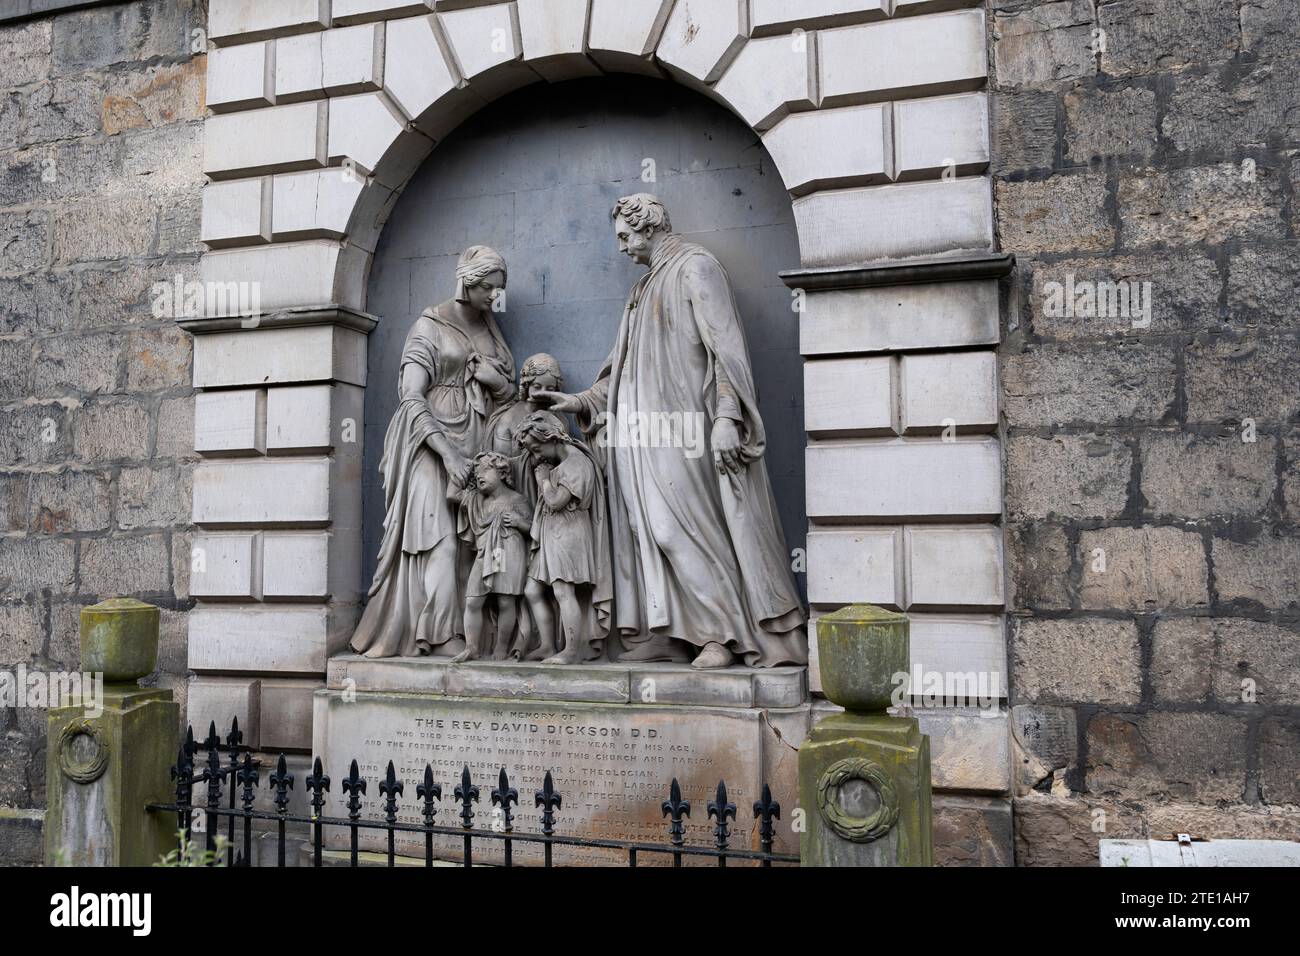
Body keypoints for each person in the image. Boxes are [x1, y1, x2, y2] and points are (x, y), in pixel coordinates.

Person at [534, 194, 806, 669]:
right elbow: (620, 373)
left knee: (677, 529)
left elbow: (727, 349)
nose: (621, 248)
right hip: (637, 437)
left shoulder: (696, 267)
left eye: (624, 235)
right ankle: (674, 630)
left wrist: (726, 416)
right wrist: (578, 402)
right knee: (645, 532)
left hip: (681, 429)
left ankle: (722, 633)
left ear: (648, 226)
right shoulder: (642, 289)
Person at [350, 246, 516, 659]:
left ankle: (468, 635)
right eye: (488, 289)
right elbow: (410, 397)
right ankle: (436, 633)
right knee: (438, 539)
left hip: (477, 442)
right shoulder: (429, 326)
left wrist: (495, 381)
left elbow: (509, 391)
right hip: (430, 444)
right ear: (467, 283)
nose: (495, 297)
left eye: (499, 290)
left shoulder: (490, 328)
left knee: (468, 546)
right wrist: (447, 454)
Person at [515, 411, 612, 664]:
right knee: (532, 589)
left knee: (562, 590)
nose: (535, 457)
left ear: (552, 437)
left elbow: (556, 501)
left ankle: (571, 651)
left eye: (536, 448)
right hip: (552, 532)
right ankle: (547, 645)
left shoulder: (576, 464)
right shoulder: (562, 464)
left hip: (568, 531)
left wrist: (544, 480)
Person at [450, 452, 533, 662]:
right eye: (477, 473)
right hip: (486, 553)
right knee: (473, 601)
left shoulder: (516, 499)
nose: (480, 476)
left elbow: (534, 529)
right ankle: (472, 647)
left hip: (508, 551)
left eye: (486, 470)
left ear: (503, 472)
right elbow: (451, 494)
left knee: (505, 601)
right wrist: (465, 464)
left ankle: (501, 647)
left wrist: (518, 521)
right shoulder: (478, 500)